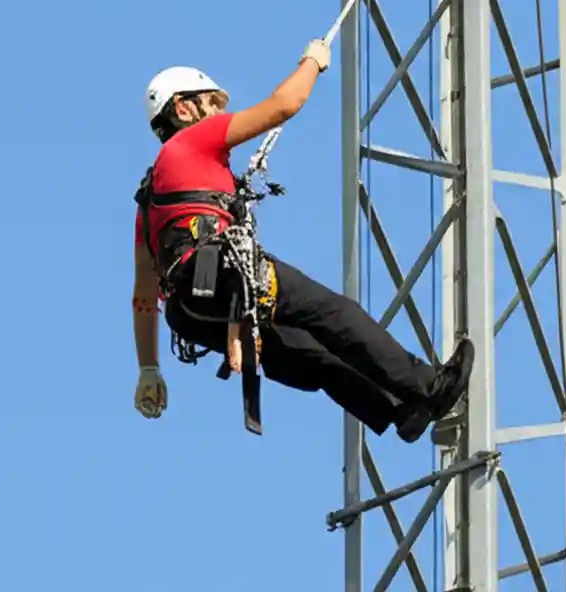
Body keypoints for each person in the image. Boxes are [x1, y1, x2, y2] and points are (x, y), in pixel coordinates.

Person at [129, 39, 474, 441]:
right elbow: (284, 105)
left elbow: (142, 295)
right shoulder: (193, 139)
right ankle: (430, 387)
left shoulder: (149, 198)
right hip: (221, 275)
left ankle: (401, 409)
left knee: (314, 357)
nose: (221, 111)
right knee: (331, 313)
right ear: (184, 109)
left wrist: (148, 370)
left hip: (190, 311)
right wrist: (313, 61)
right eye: (211, 102)